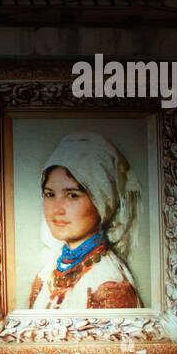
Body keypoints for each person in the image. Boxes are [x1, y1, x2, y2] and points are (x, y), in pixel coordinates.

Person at [28, 132, 142, 310]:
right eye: (50, 194)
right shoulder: (45, 276)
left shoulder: (110, 286)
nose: (57, 209)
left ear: (102, 201)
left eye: (72, 195)